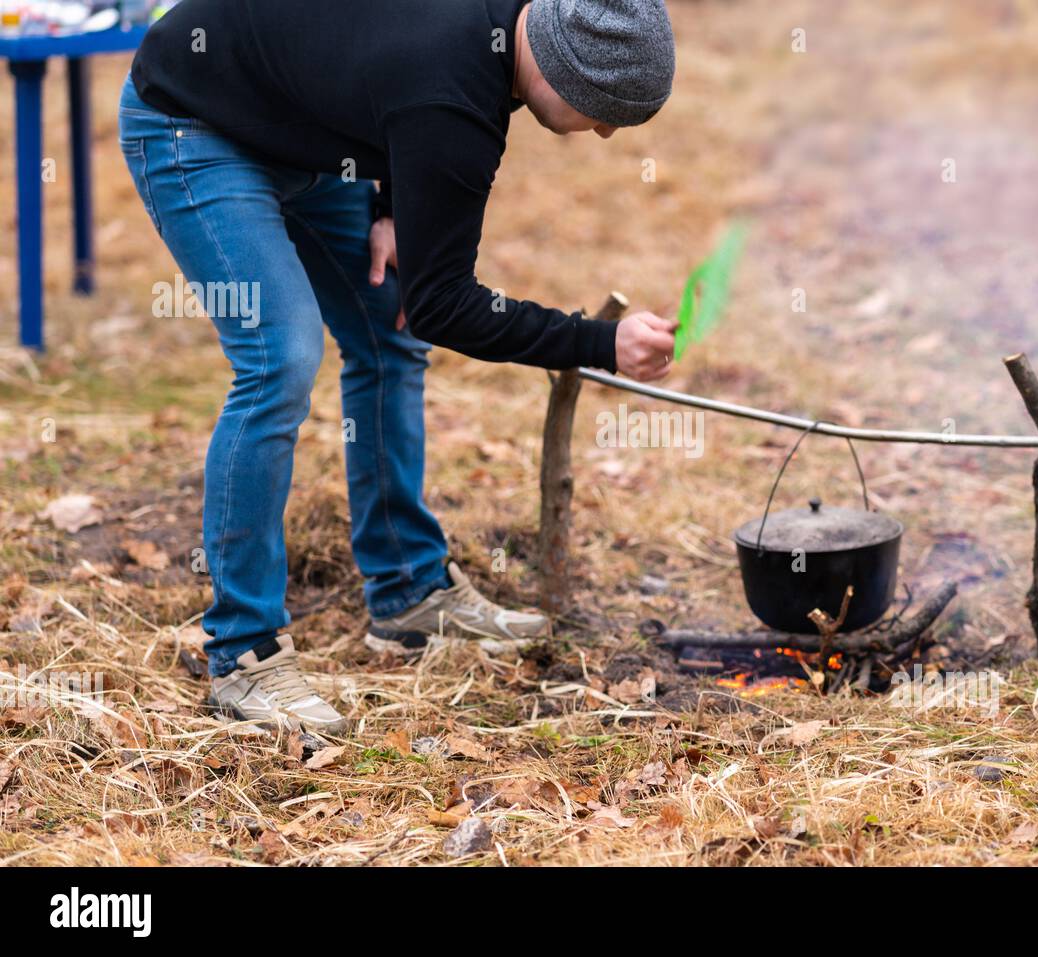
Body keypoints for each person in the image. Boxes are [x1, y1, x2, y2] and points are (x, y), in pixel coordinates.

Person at [118, 0, 679, 733]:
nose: (603, 133)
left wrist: (387, 204)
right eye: (603, 113)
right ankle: (242, 651)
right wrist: (599, 346)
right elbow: (444, 303)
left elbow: (371, 57)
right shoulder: (453, 98)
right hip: (194, 120)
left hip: (307, 128)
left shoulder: (488, 42)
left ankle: (408, 590)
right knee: (279, 358)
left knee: (388, 327)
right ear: (565, 71)